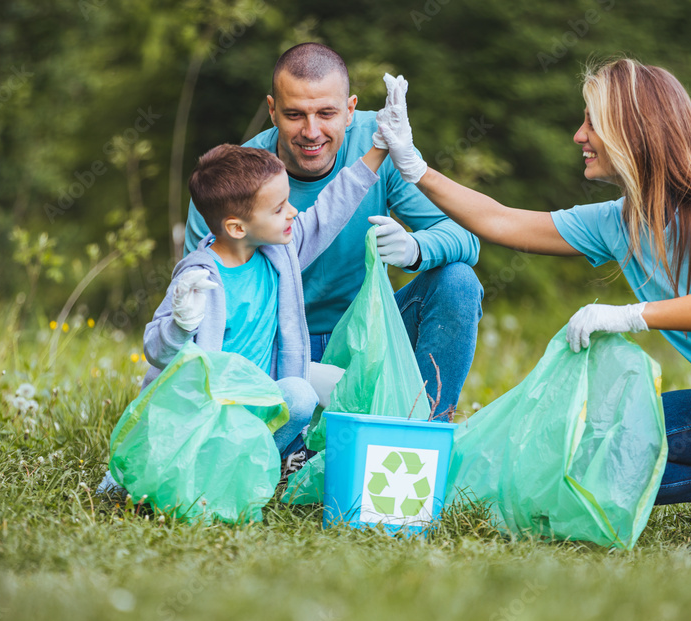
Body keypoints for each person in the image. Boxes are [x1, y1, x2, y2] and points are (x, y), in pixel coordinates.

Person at [375, 59, 691, 548]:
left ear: (632, 131)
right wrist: (415, 166)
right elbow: (504, 221)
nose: (578, 135)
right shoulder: (619, 222)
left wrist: (630, 316)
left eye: (591, 121)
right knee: (596, 453)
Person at [184, 43, 483, 420]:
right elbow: (203, 302)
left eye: (326, 113)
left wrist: (415, 248)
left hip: (367, 338)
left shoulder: (383, 142)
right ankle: (304, 438)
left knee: (458, 281)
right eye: (295, 114)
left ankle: (421, 437)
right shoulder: (233, 183)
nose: (312, 132)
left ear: (350, 109)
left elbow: (466, 236)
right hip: (272, 351)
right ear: (272, 111)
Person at [96, 135, 389, 499]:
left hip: (258, 402)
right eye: (279, 207)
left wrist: (379, 149)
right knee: (153, 481)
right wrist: (180, 324)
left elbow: (327, 213)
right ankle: (142, 476)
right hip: (204, 410)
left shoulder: (279, 254)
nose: (293, 212)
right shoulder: (199, 277)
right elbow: (157, 350)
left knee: (301, 395)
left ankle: (260, 466)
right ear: (237, 228)